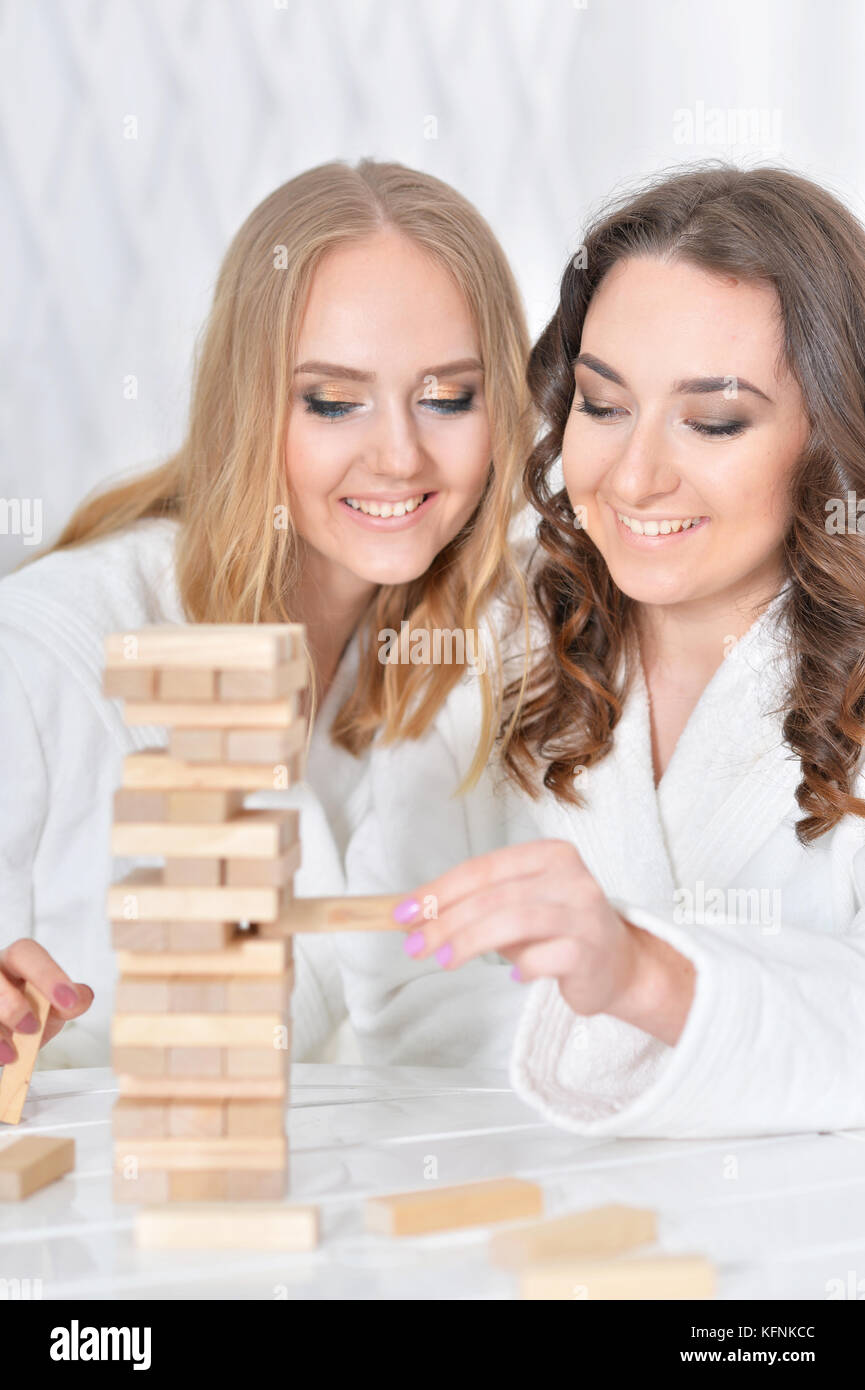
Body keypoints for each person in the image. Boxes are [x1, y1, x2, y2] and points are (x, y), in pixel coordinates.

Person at [348, 165, 865, 1137]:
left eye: (712, 420)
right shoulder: (479, 637)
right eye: (601, 403)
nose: (634, 475)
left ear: (829, 433)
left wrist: (638, 973)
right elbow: (397, 1002)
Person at [0, 159, 531, 1070]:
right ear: (248, 406)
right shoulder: (47, 652)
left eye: (448, 398)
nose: (399, 455)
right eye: (332, 401)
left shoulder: (489, 642)